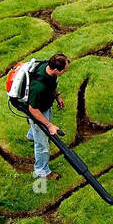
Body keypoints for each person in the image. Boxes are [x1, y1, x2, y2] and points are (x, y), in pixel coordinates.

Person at [23, 53, 69, 182]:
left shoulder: (47, 67)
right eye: (64, 70)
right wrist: (49, 125)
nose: (66, 71)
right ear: (55, 70)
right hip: (38, 111)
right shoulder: (38, 87)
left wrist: (57, 96)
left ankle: (31, 135)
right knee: (42, 144)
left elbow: (52, 84)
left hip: (45, 105)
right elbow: (33, 109)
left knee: (39, 131)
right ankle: (42, 171)